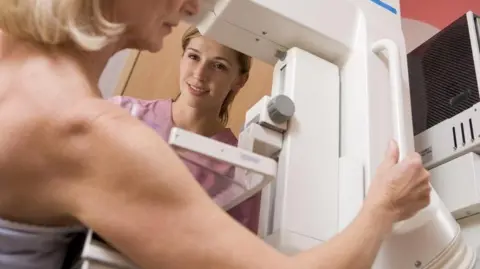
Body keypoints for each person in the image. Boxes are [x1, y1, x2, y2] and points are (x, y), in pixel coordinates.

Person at [0, 1, 431, 269]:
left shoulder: (10, 49)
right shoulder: (96, 136)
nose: (189, 5)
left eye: (220, 66)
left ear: (237, 82)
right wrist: (385, 207)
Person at [109, 25, 261, 233]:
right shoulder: (122, 113)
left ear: (239, 81)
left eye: (218, 66)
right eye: (193, 57)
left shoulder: (239, 171)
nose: (199, 74)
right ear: (182, 58)